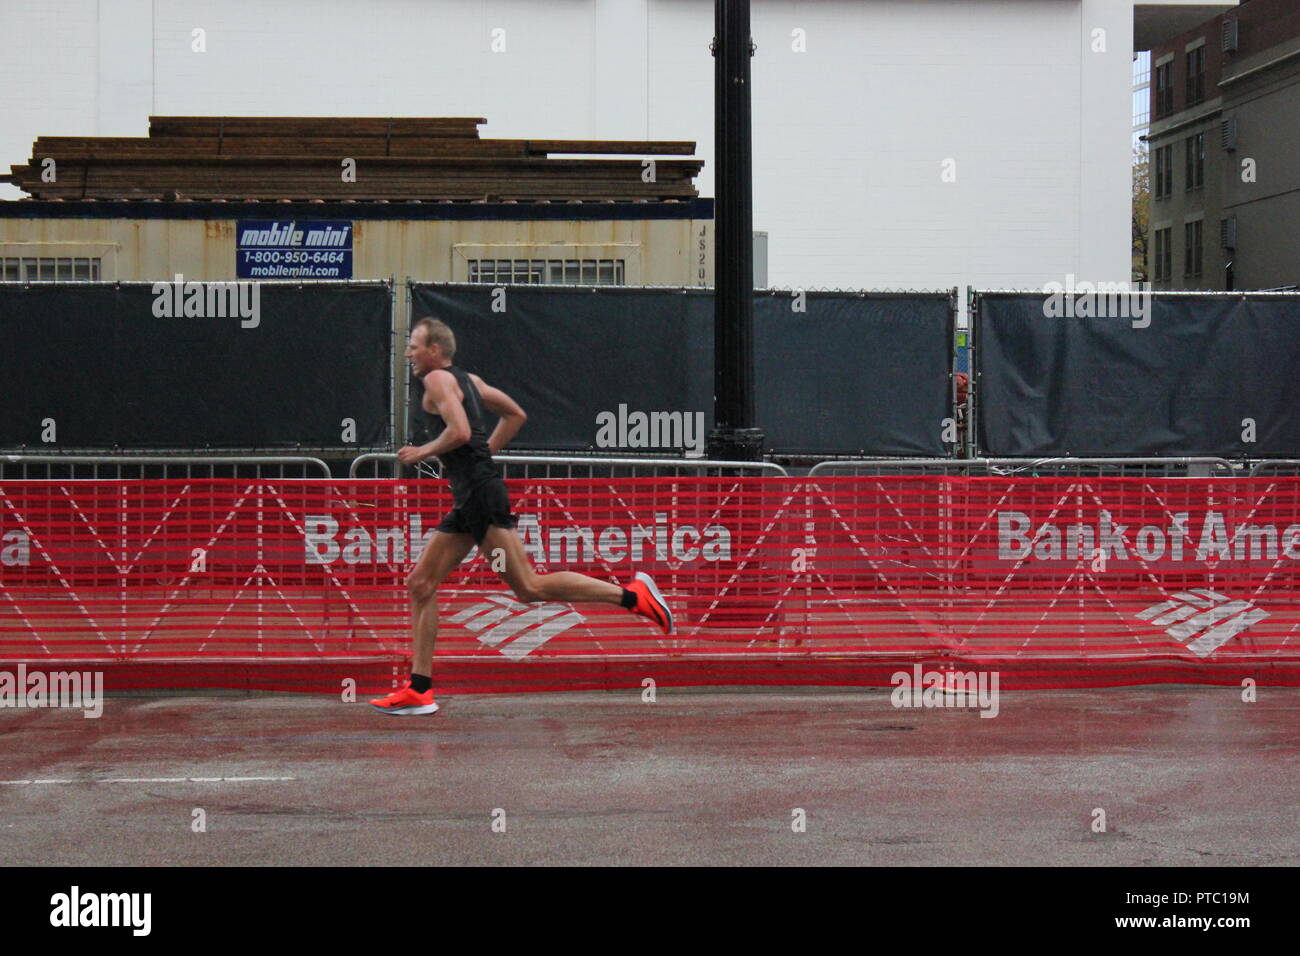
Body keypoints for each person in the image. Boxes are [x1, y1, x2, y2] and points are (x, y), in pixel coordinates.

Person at [370, 317, 674, 715]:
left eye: (414, 345)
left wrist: (421, 452)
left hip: (479, 496)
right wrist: (482, 457)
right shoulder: (471, 382)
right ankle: (419, 690)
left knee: (529, 587)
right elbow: (516, 415)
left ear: (434, 351)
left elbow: (460, 432)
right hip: (472, 496)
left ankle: (634, 597)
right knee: (421, 582)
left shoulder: (437, 381)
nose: (408, 353)